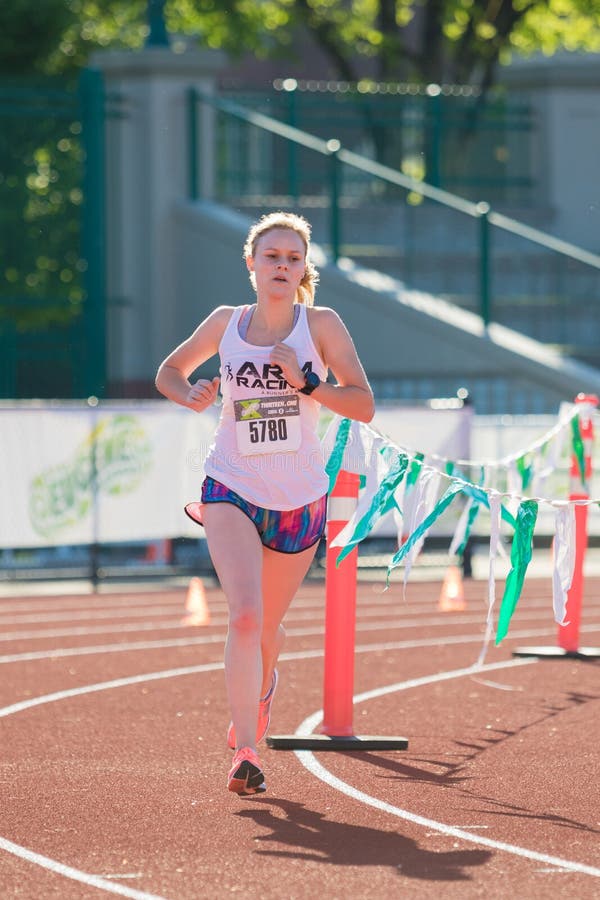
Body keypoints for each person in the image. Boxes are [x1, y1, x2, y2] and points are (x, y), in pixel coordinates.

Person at [155, 211, 374, 796]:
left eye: (293, 258)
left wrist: (307, 384)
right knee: (245, 615)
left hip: (298, 496)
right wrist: (190, 395)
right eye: (272, 256)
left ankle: (263, 688)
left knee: (268, 628)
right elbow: (168, 371)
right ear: (251, 263)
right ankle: (246, 751)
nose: (282, 266)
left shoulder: (321, 324)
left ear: (304, 270)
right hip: (230, 484)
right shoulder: (226, 322)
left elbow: (362, 404)